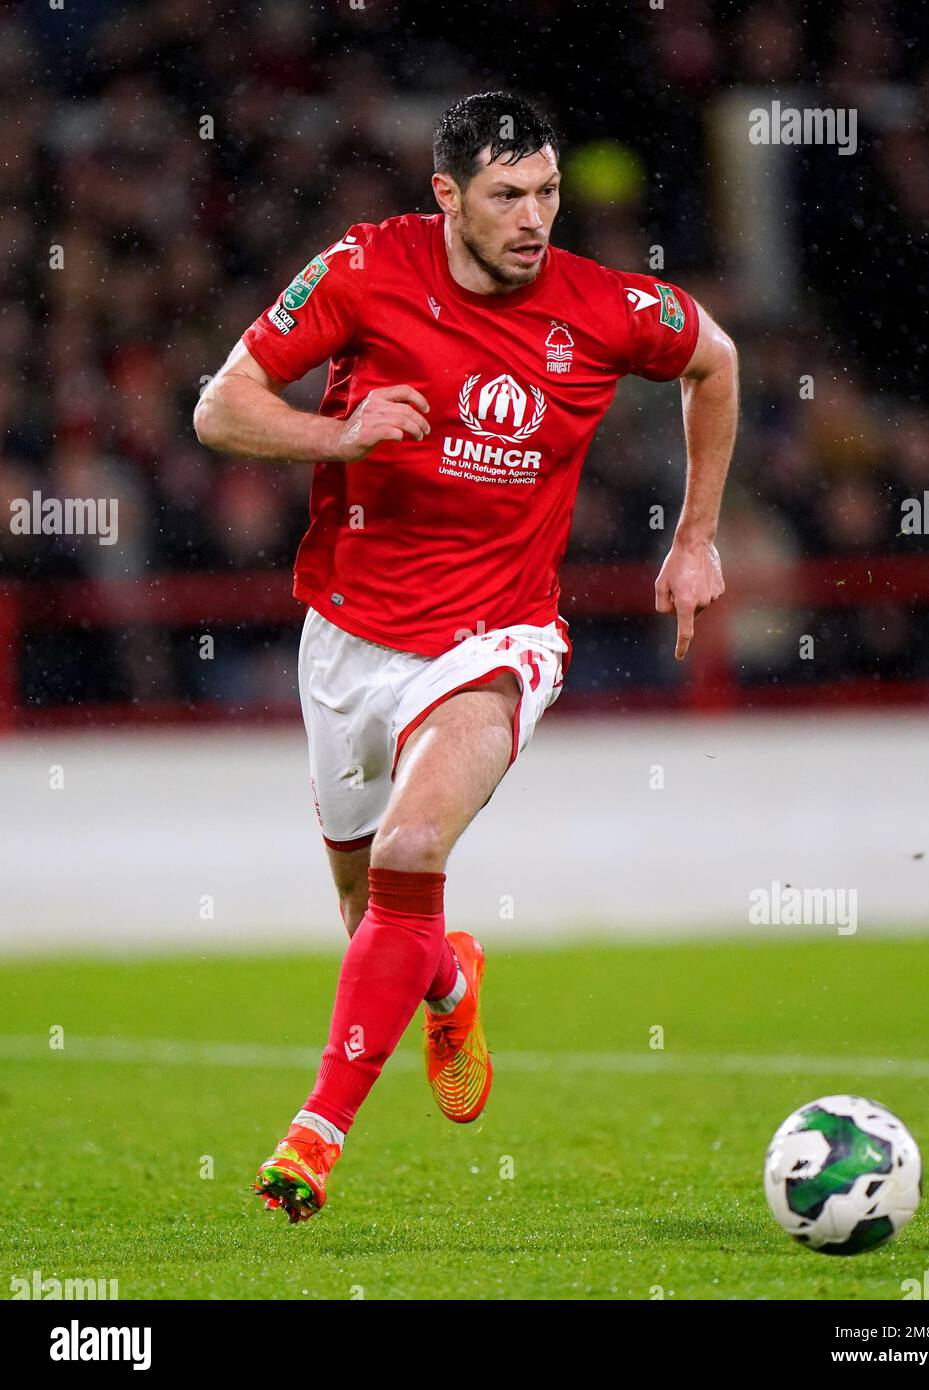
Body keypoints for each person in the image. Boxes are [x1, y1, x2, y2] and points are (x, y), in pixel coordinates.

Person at [193, 90, 738, 1223]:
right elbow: (220, 407)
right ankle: (449, 977)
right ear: (446, 195)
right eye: (506, 196)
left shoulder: (603, 306)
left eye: (544, 192)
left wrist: (693, 538)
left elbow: (716, 359)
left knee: (414, 839)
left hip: (499, 634)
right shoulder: (360, 269)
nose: (534, 216)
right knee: (375, 918)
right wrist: (333, 432)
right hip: (346, 637)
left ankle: (314, 1134)